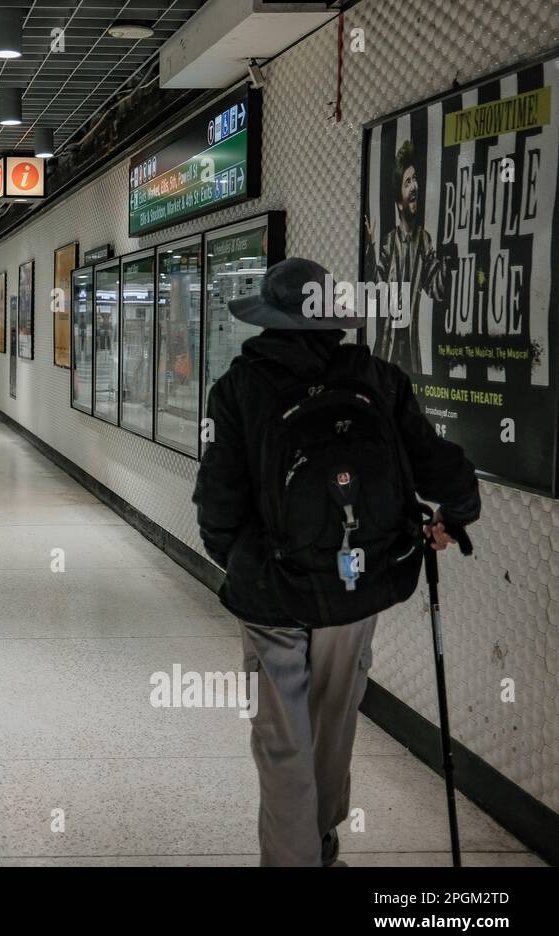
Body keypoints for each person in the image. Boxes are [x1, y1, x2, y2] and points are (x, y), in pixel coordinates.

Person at [193, 257, 480, 868]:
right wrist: (455, 515)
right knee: (333, 720)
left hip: (273, 593)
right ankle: (321, 846)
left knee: (282, 738)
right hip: (359, 586)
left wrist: (247, 563)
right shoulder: (377, 377)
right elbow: (438, 462)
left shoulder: (239, 388)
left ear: (268, 318)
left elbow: (216, 508)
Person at [363, 139, 448, 377]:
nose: (415, 186)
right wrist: (369, 249)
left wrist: (451, 255)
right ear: (398, 199)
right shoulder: (389, 242)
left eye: (416, 179)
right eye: (407, 182)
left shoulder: (425, 240)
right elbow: (373, 289)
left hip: (412, 357)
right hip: (385, 351)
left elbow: (437, 289)